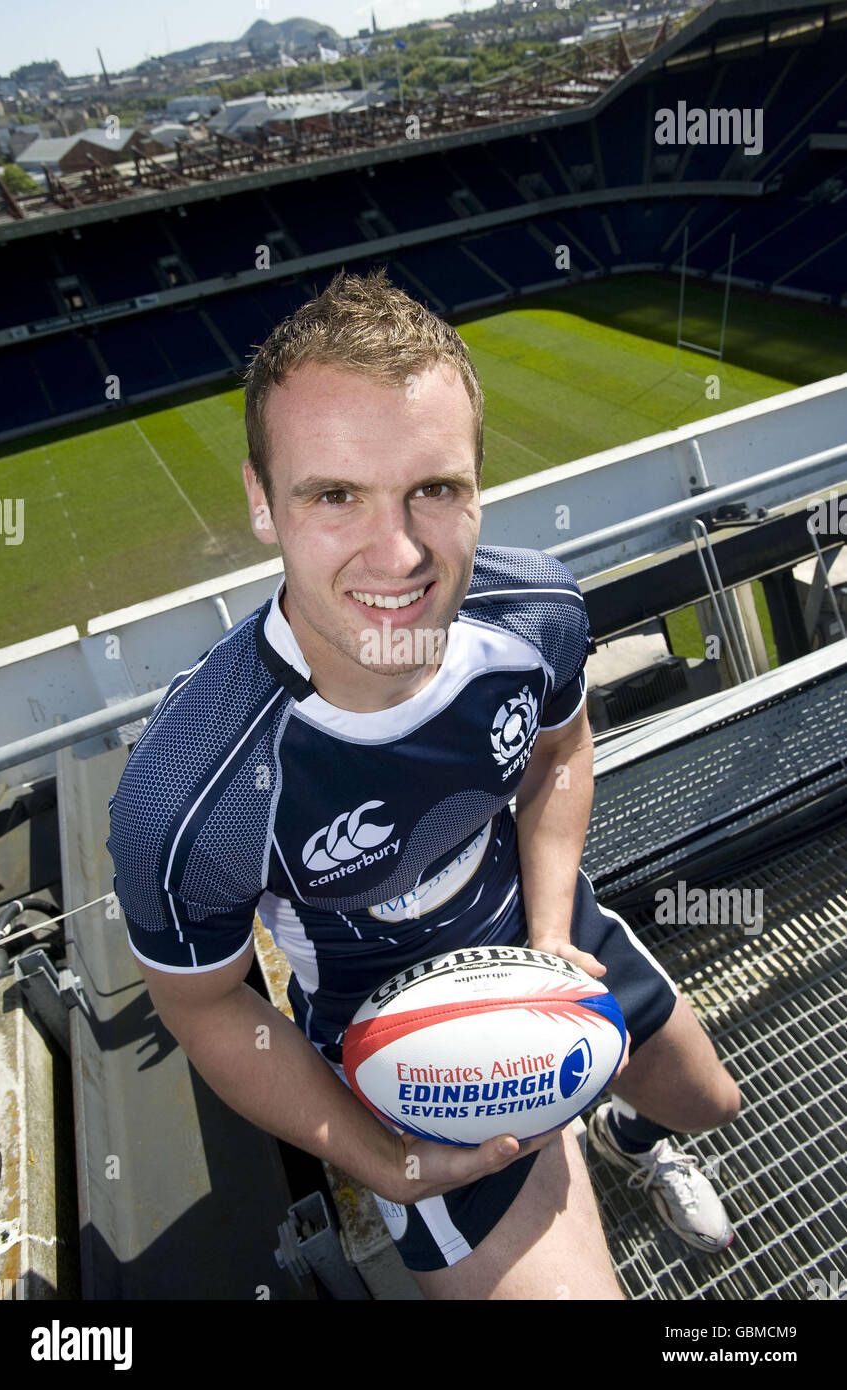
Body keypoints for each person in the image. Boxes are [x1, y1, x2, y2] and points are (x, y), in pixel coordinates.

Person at [107, 267, 740, 1300]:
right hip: (384, 1034)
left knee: (711, 1099)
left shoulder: (535, 612)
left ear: (478, 485)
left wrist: (547, 936)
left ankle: (624, 1131)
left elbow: (557, 756)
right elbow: (206, 1005)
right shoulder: (185, 797)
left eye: (432, 489)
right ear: (262, 503)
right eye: (334, 494)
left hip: (536, 926)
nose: (396, 552)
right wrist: (379, 1157)